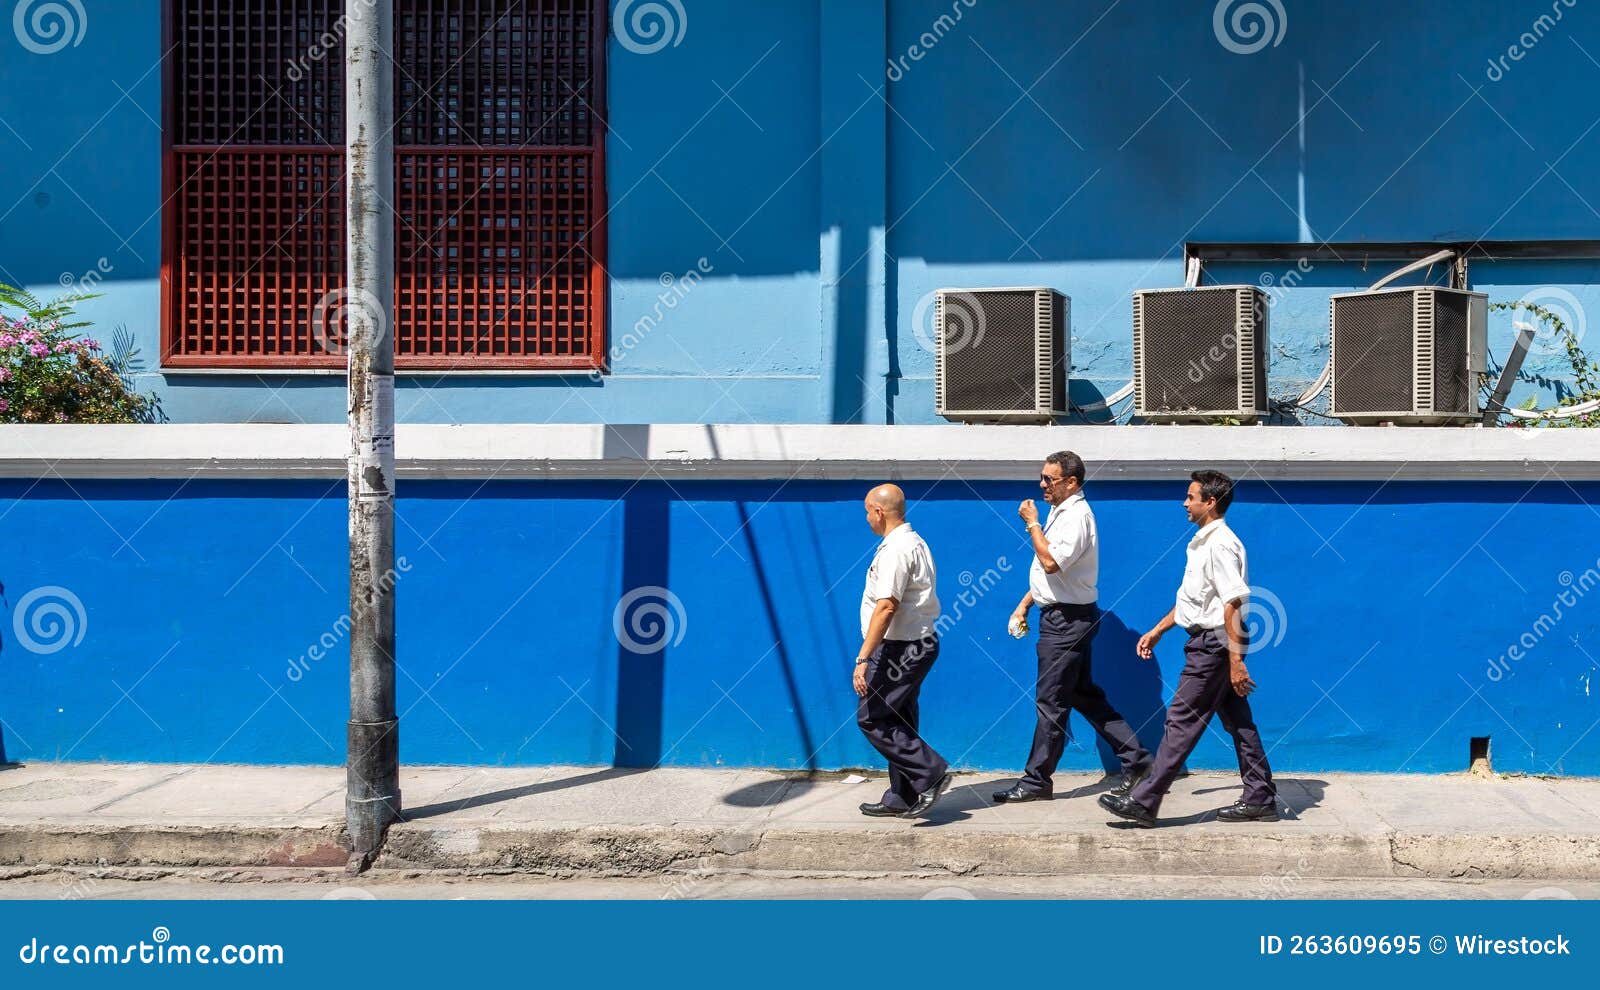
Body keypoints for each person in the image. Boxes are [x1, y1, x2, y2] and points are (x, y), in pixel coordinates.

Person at [1100, 469, 1277, 828]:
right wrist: (1157, 631)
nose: (1184, 502)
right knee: (1239, 722)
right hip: (1210, 641)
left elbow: (1233, 603)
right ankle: (1259, 797)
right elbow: (1191, 604)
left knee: (1181, 722)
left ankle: (1144, 800)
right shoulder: (1202, 543)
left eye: (1191, 497)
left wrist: (1236, 661)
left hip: (1214, 646)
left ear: (1210, 503)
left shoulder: (1219, 544)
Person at [993, 451, 1152, 804]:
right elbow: (1051, 574)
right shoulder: (1061, 514)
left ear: (1071, 482)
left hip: (1066, 622)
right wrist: (1024, 605)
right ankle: (1137, 760)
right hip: (1061, 617)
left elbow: (1050, 562)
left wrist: (1031, 523)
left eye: (1049, 479)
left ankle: (1036, 781)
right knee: (1083, 695)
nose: (1042, 485)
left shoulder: (1076, 517)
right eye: (1042, 477)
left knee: (1051, 702)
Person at [853, 484, 952, 819]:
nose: (866, 518)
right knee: (899, 718)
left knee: (872, 718)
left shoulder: (897, 549)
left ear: (879, 512)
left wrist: (864, 657)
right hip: (917, 643)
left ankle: (931, 772)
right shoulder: (915, 543)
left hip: (899, 648)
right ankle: (902, 795)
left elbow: (886, 607)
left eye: (868, 511)